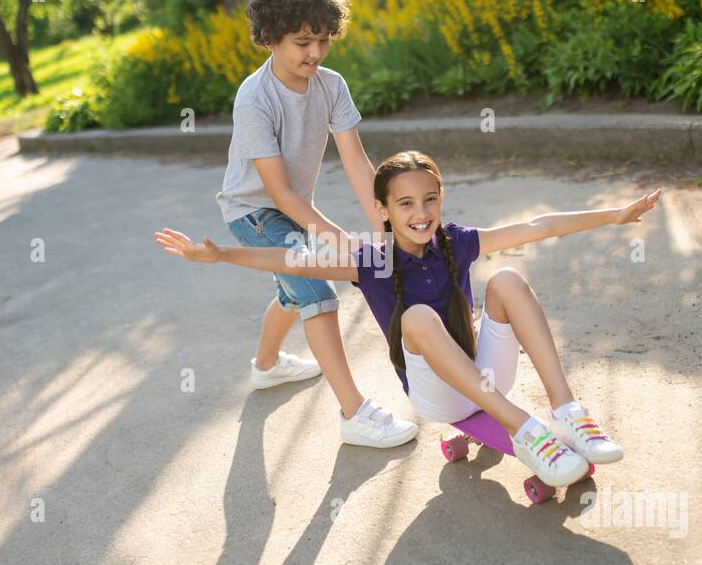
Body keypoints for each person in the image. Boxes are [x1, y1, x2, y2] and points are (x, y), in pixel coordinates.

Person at [160, 150, 663, 487]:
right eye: (405, 204)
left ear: (441, 199)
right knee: (418, 316)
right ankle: (527, 431)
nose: (420, 212)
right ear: (382, 210)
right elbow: (292, 260)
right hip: (437, 393)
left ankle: (568, 414)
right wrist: (222, 254)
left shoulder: (457, 242)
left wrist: (613, 215)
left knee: (507, 278)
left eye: (429, 199)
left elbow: (538, 225)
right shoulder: (371, 259)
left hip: (484, 371)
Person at [214, 0, 416, 448]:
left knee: (293, 288)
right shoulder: (254, 97)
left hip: (290, 208)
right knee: (318, 291)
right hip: (254, 213)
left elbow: (356, 163)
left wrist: (389, 227)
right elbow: (279, 193)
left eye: (324, 39)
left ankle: (265, 367)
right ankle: (354, 413)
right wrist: (336, 238)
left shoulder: (331, 85)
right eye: (303, 42)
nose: (316, 52)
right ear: (270, 37)